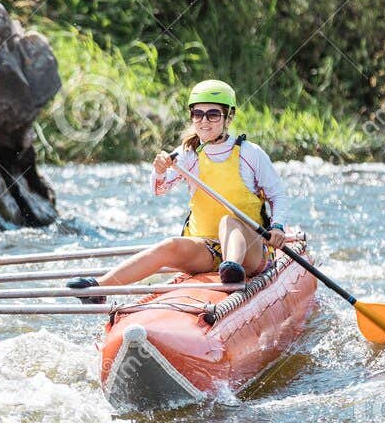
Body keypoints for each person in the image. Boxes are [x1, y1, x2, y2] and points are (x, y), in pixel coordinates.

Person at [68, 79, 289, 296]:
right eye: (198, 114)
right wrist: (160, 171)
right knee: (170, 245)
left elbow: (277, 195)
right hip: (207, 248)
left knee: (229, 221)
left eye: (213, 114)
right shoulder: (188, 154)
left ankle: (231, 270)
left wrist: (277, 227)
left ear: (228, 117)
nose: (204, 121)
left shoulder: (250, 153)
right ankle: (100, 287)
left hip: (251, 249)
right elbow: (159, 190)